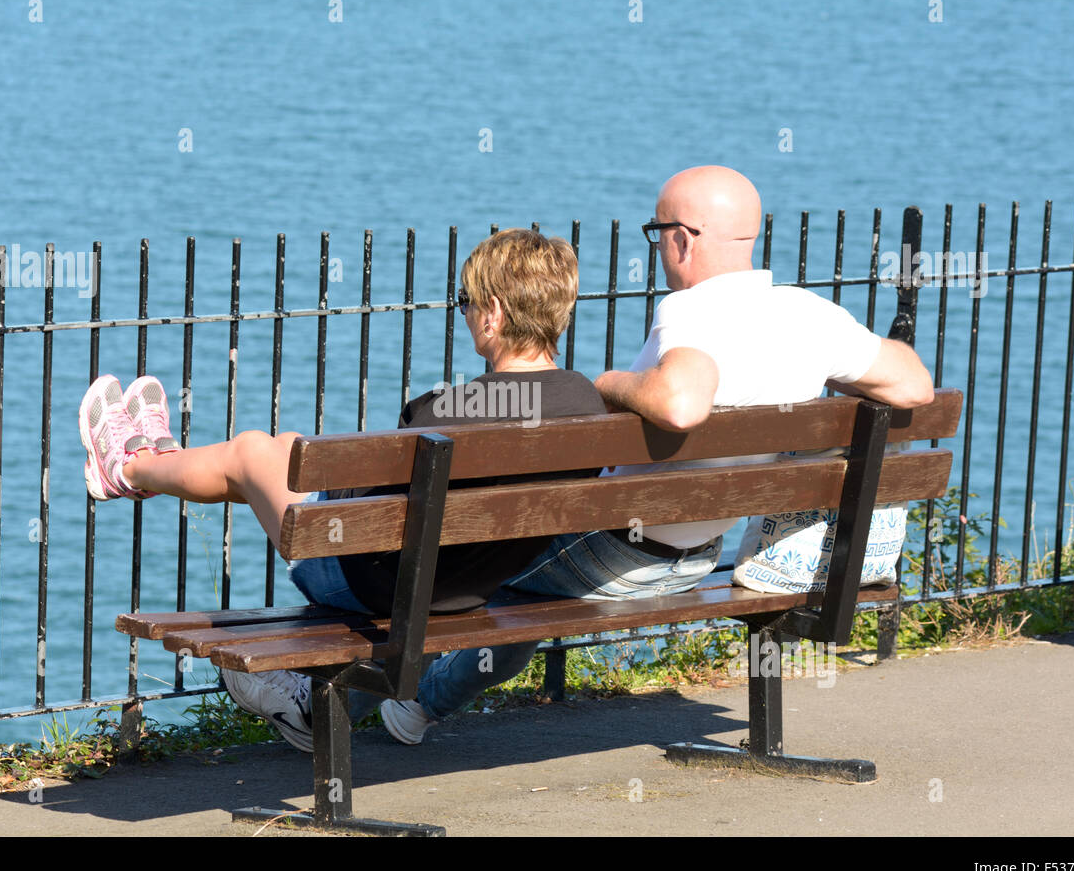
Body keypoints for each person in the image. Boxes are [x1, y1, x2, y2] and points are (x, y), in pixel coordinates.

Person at [376, 165, 937, 745]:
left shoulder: (691, 310)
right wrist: (823, 373)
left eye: (656, 231)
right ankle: (419, 701)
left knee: (488, 558)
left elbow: (681, 404)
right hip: (697, 556)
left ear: (681, 237)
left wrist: (612, 382)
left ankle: (407, 699)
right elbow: (915, 387)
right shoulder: (812, 317)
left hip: (610, 560)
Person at [77, 227, 605, 750]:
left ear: (492, 313)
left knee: (252, 450)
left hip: (367, 581)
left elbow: (378, 502)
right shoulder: (589, 408)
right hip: (475, 585)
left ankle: (129, 468)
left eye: (464, 302)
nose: (464, 314)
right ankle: (169, 458)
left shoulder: (445, 411)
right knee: (285, 450)